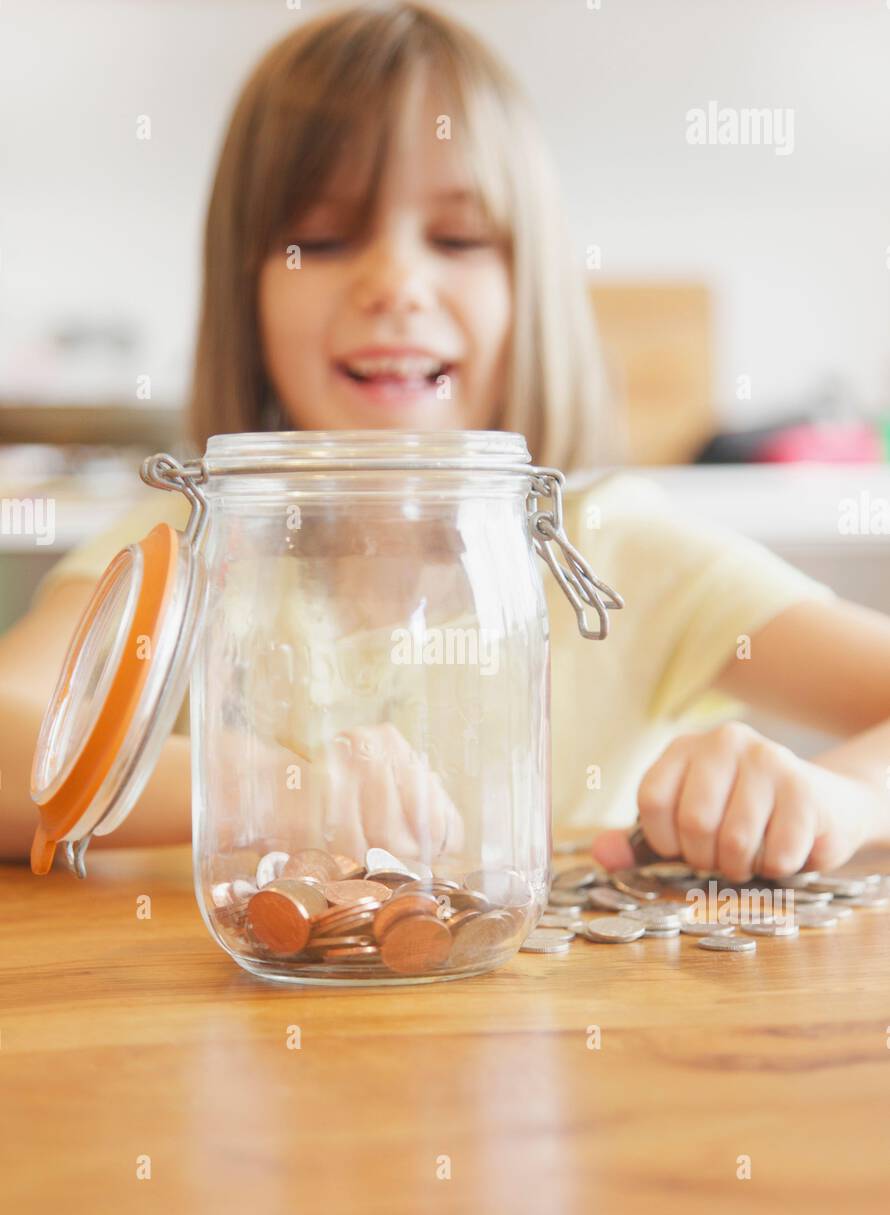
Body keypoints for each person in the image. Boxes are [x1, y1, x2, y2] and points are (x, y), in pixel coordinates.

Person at [4, 1, 890, 879]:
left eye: (459, 237)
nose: (396, 282)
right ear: (245, 291)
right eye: (322, 237)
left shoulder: (620, 550)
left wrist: (837, 798)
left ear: (531, 290)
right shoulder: (184, 545)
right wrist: (267, 793)